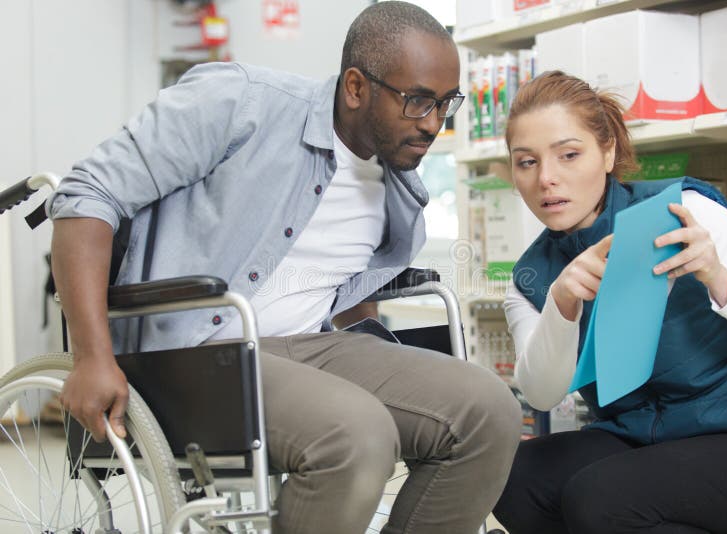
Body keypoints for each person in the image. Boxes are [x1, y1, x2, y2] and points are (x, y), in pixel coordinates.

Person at [47, 3, 522, 533]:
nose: (434, 123)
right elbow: (86, 195)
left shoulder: (399, 184)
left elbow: (341, 284)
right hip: (195, 353)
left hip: (312, 348)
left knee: (489, 411)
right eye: (417, 102)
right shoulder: (240, 101)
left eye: (445, 103)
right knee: (355, 435)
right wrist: (92, 357)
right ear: (356, 87)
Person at [491, 70, 727, 533]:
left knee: (601, 498)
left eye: (569, 155)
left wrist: (719, 279)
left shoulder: (688, 212)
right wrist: (562, 304)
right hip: (642, 439)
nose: (547, 179)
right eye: (527, 162)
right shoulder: (533, 276)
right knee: (515, 479)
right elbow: (541, 393)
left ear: (608, 152)